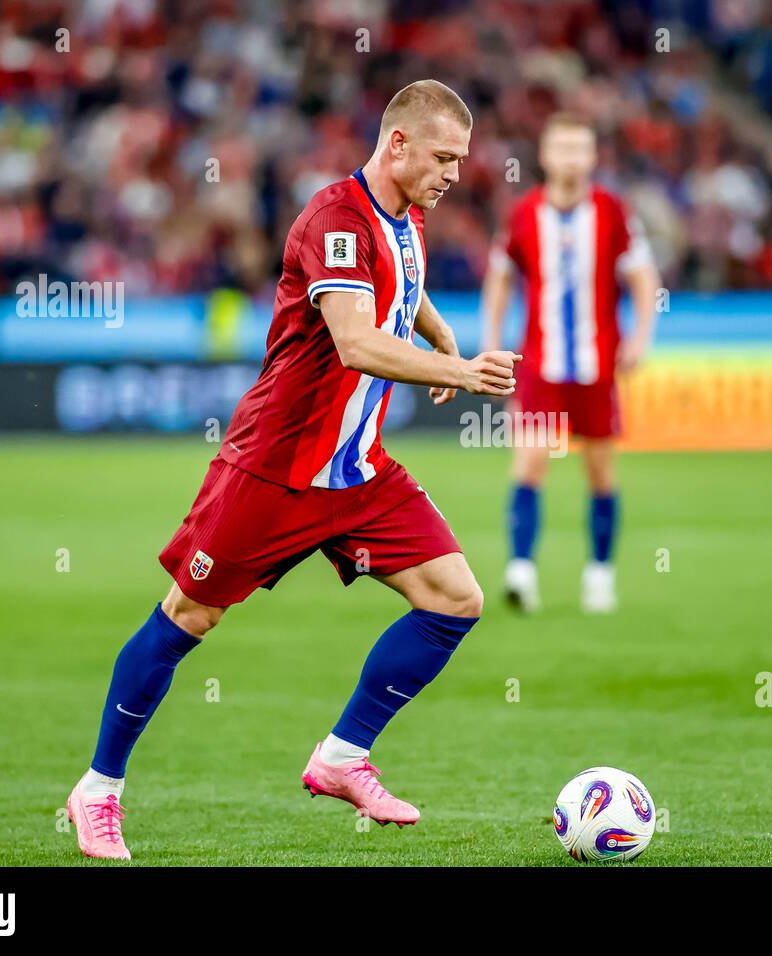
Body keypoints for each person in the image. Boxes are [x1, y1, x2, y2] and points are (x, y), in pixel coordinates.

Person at [66, 80, 522, 859]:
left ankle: (342, 758)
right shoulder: (334, 220)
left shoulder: (407, 216)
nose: (454, 174)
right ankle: (97, 791)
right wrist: (468, 372)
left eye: (461, 161)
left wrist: (444, 339)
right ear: (398, 144)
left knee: (454, 599)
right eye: (444, 157)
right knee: (188, 617)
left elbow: (402, 293)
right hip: (274, 470)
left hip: (356, 471)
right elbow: (353, 339)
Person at [480, 113, 660, 614]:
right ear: (545, 154)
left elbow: (644, 277)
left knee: (601, 472)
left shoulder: (613, 212)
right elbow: (499, 278)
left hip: (599, 365)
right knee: (531, 462)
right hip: (541, 363)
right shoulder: (522, 213)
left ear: (594, 156)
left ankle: (599, 575)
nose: (572, 159)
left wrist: (642, 336)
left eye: (581, 149)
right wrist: (493, 341)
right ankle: (521, 570)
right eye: (562, 149)